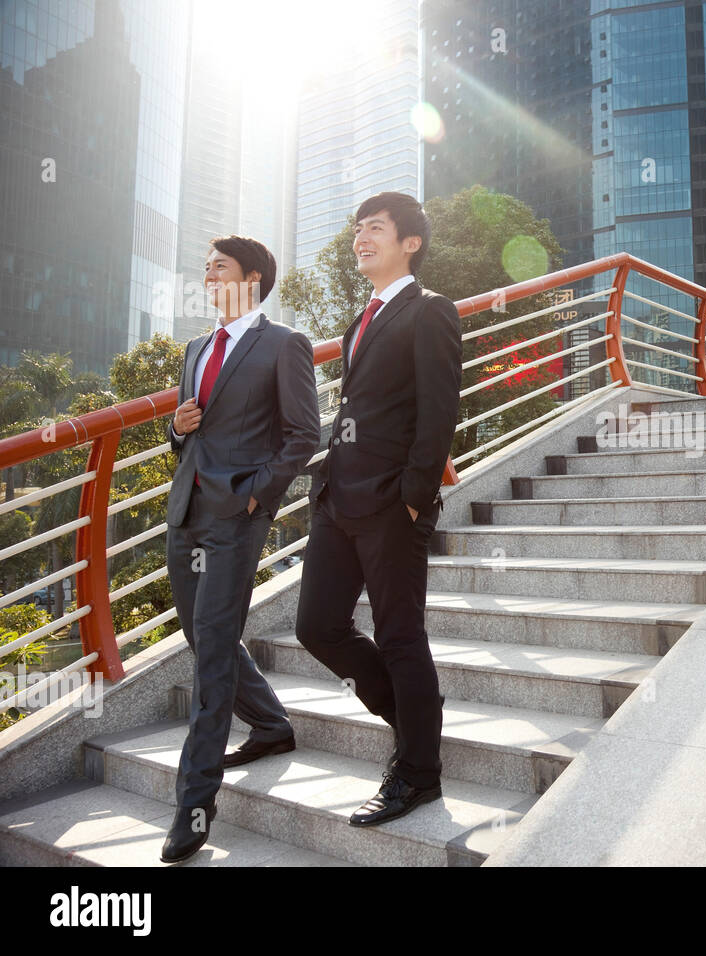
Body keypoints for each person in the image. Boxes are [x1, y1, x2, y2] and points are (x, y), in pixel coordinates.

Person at [295, 192, 462, 826]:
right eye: (356, 228)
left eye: (375, 228)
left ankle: (419, 774)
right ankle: (415, 719)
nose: (360, 238)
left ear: (410, 242)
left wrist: (415, 499)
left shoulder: (430, 312)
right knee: (317, 626)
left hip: (393, 503)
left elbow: (438, 411)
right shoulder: (359, 319)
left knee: (399, 637)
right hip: (338, 498)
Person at [163, 235, 320, 863]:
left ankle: (193, 806)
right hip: (187, 510)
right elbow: (187, 430)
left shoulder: (284, 344)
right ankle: (273, 724)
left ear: (251, 277)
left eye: (218, 267)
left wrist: (257, 497)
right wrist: (175, 427)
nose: (207, 276)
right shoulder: (196, 347)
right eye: (205, 268)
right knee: (204, 636)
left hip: (238, 516)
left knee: (210, 659)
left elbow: (304, 432)